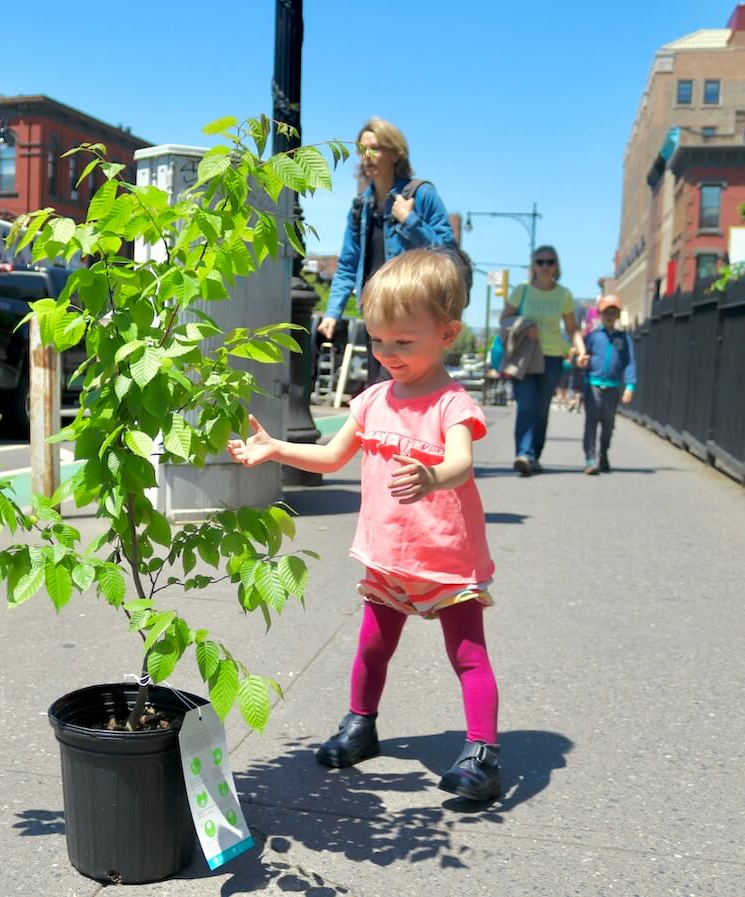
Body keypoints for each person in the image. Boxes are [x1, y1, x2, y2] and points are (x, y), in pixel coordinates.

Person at [229, 249, 501, 802]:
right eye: (378, 341)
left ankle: (482, 751)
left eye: (404, 342)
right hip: (386, 555)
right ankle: (361, 724)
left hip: (445, 556)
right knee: (372, 648)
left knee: (468, 653)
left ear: (448, 333)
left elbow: (460, 462)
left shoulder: (451, 402)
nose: (387, 354)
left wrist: (432, 477)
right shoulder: (373, 400)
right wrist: (275, 448)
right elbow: (331, 458)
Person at [317, 117, 457, 387]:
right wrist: (332, 312)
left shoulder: (422, 194)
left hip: (413, 311)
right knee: (381, 391)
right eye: (362, 150)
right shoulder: (361, 206)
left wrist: (410, 221)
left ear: (396, 152)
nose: (367, 156)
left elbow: (447, 254)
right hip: (376, 314)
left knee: (409, 389)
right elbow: (347, 264)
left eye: (376, 148)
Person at [500, 246, 587, 476]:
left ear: (556, 265)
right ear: (533, 266)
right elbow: (504, 318)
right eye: (540, 262)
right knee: (526, 405)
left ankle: (534, 455)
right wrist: (526, 325)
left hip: (553, 357)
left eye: (550, 262)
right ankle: (524, 454)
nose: (545, 266)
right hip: (526, 357)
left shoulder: (564, 294)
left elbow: (572, 328)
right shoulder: (522, 291)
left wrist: (581, 349)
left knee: (541, 409)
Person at [580, 295, 636, 474]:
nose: (609, 316)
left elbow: (630, 362)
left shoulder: (624, 339)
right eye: (606, 312)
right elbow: (581, 356)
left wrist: (630, 386)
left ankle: (603, 452)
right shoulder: (593, 336)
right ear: (600, 314)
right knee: (591, 423)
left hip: (613, 386)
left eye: (613, 312)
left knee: (608, 424)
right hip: (593, 384)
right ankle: (590, 458)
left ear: (618, 315)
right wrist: (579, 359)